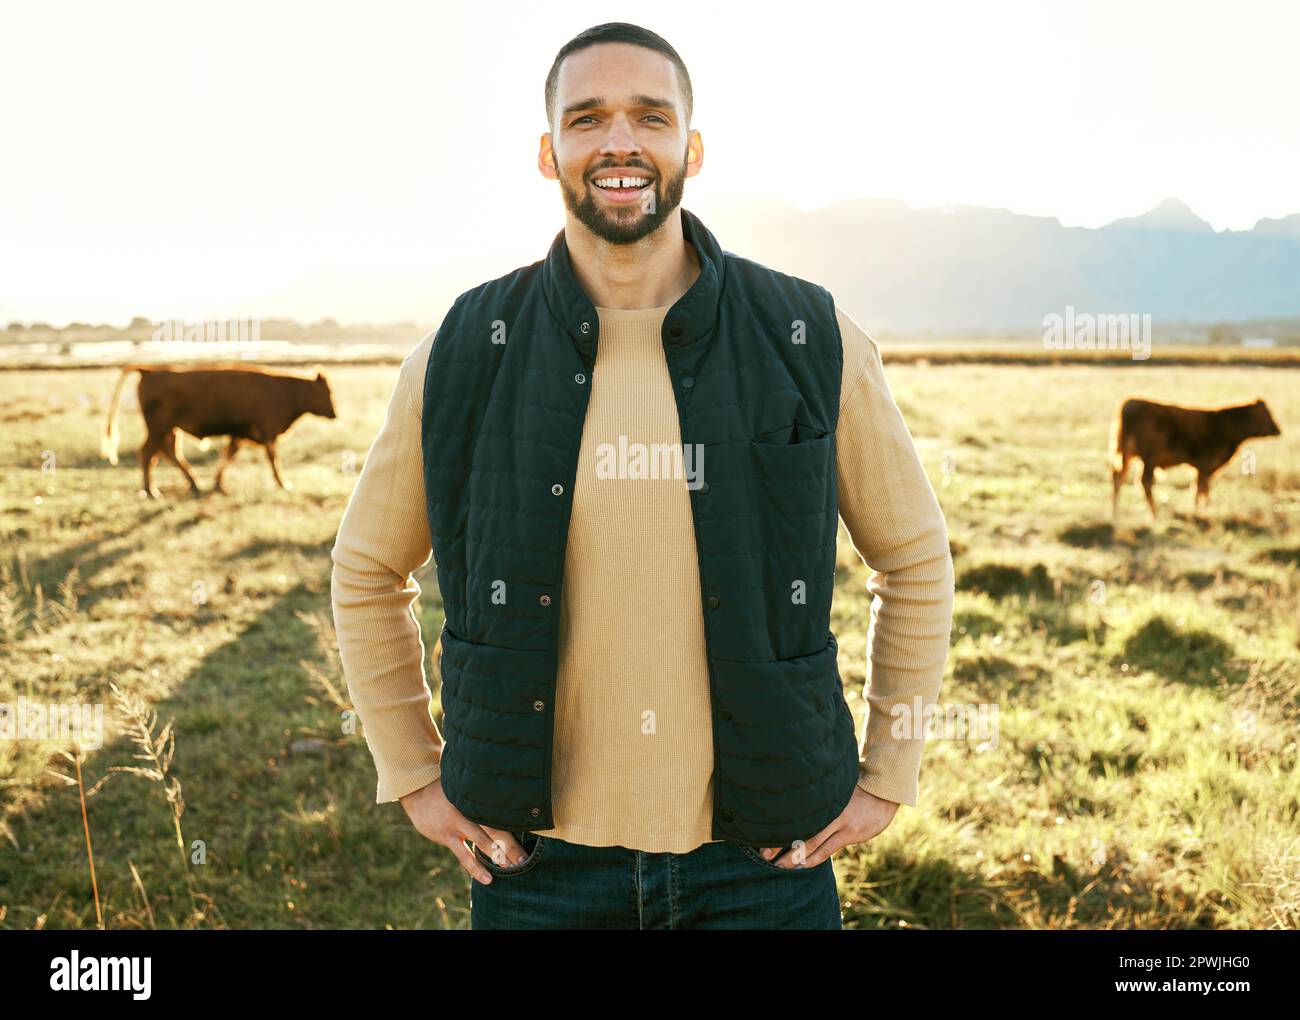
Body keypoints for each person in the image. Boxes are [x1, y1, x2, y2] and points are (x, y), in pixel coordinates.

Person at [330, 22, 954, 930]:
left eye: (649, 117)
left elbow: (915, 558)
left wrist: (890, 771)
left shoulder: (808, 336)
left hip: (763, 869)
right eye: (587, 119)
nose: (619, 141)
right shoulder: (465, 349)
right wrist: (416, 775)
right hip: (538, 873)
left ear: (690, 149)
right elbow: (366, 570)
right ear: (549, 154)